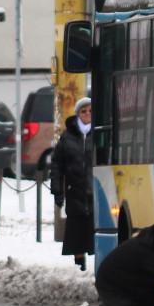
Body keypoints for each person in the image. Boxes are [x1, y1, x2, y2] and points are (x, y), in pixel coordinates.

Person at [51, 97, 96, 270]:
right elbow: (57, 165)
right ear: (78, 114)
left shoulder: (99, 132)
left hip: (94, 189)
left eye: (91, 111)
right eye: (84, 111)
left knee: (94, 226)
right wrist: (58, 191)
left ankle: (96, 263)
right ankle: (79, 266)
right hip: (74, 190)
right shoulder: (67, 136)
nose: (87, 114)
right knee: (76, 230)